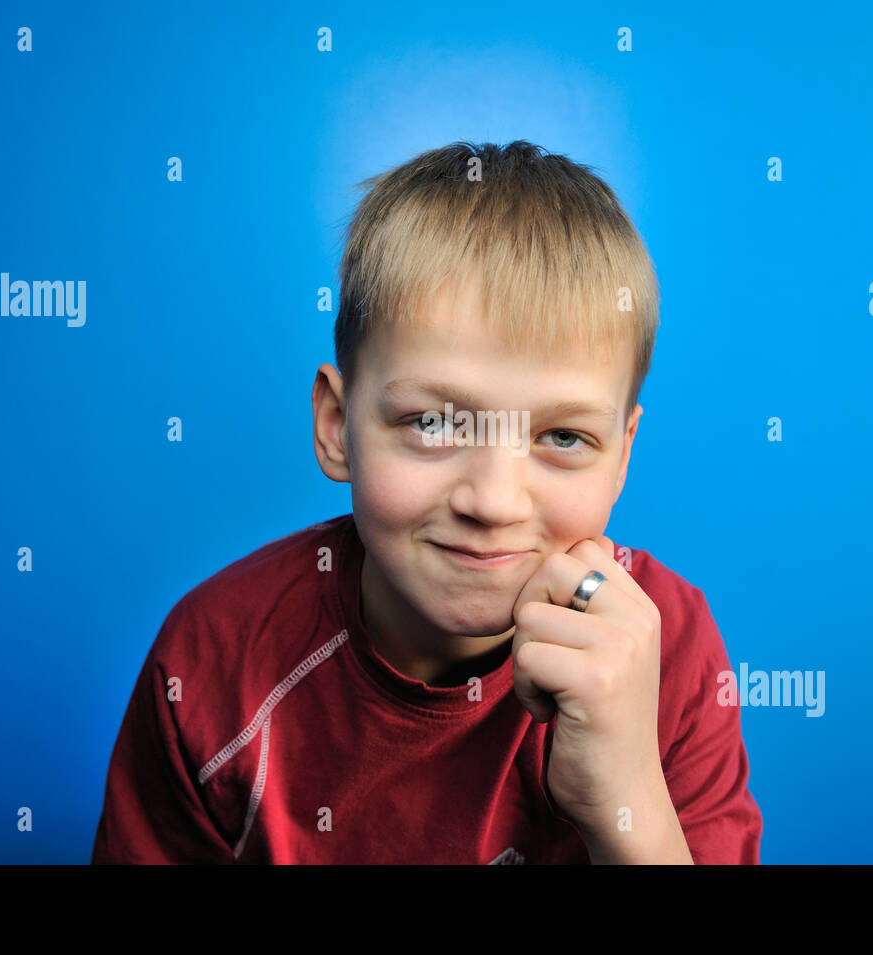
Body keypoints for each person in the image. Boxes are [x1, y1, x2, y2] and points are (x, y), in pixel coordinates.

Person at [91, 140, 763, 864]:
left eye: (563, 436)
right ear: (335, 428)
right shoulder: (213, 664)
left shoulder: (668, 648)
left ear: (622, 453)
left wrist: (626, 804)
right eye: (435, 423)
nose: (495, 501)